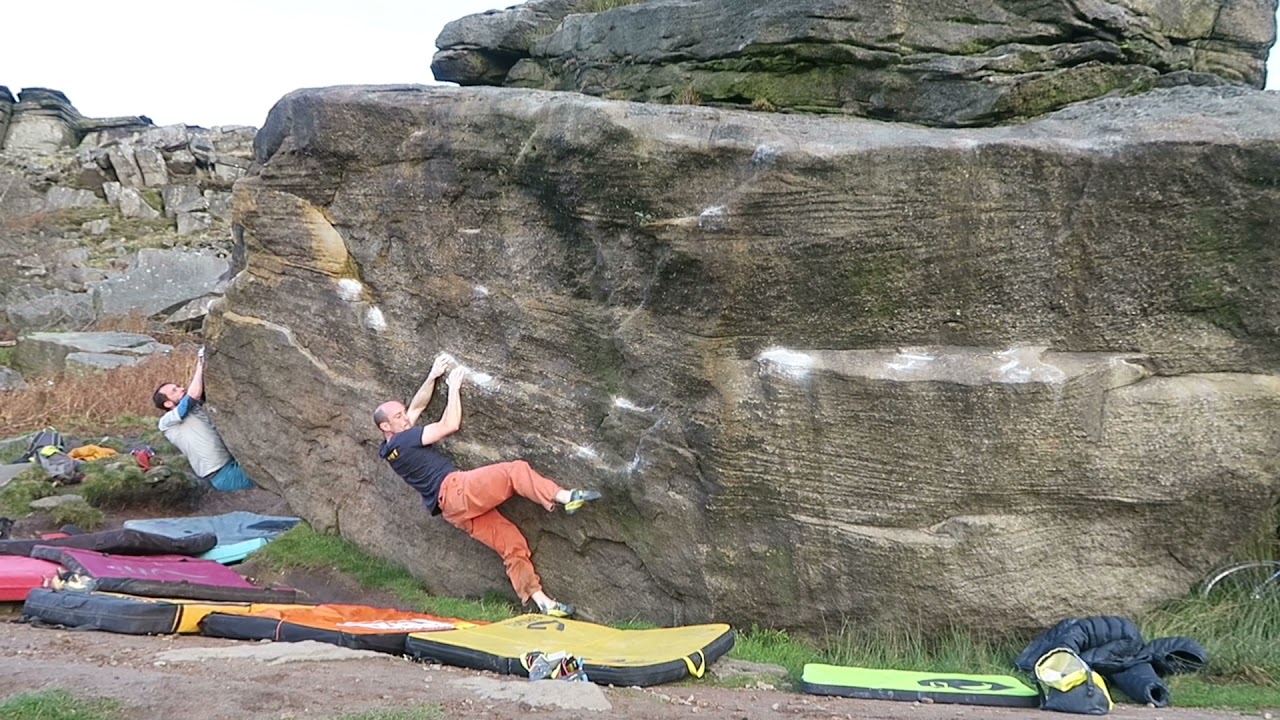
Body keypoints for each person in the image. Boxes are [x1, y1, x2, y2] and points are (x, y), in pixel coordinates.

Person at [374, 355, 602, 618]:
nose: (406, 418)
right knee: (514, 471)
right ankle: (564, 496)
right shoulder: (404, 441)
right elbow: (450, 425)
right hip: (458, 490)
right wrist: (453, 389)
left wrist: (432, 376)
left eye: (403, 414)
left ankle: (543, 602)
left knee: (511, 543)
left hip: (454, 512)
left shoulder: (390, 448)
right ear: (386, 426)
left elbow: (416, 408)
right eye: (398, 417)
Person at [152, 347, 255, 492]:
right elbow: (193, 394)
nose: (181, 389)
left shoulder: (194, 408)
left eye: (178, 386)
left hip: (232, 464)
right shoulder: (166, 422)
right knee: (273, 474)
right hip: (222, 475)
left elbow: (202, 390)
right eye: (174, 391)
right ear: (168, 403)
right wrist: (200, 362)